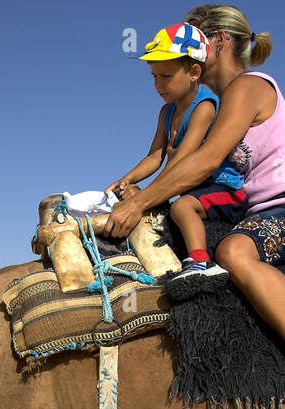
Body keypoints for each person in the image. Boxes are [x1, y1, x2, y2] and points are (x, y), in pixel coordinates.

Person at [105, 3, 285, 409]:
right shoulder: (208, 103)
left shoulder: (249, 86)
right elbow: (184, 162)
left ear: (217, 41)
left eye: (194, 34)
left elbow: (207, 160)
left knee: (234, 252)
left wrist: (139, 203)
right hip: (257, 209)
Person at [104, 23, 247, 281]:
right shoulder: (166, 111)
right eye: (154, 76)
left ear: (194, 72)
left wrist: (146, 198)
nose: (158, 84)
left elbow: (182, 161)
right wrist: (125, 181)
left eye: (166, 76)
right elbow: (155, 157)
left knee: (180, 208)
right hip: (192, 189)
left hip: (222, 190)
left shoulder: (204, 107)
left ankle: (200, 262)